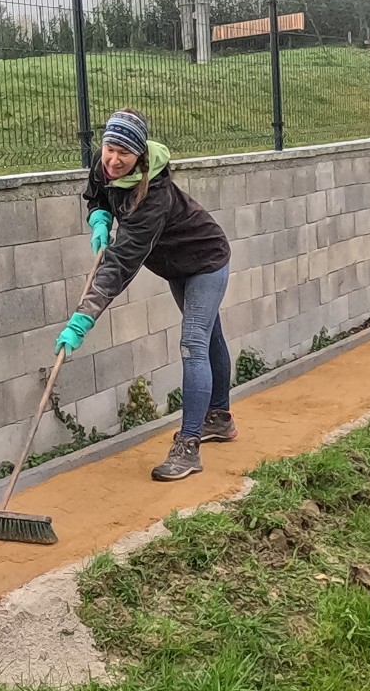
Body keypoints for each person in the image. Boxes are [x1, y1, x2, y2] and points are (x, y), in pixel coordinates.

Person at [55, 108, 236, 482]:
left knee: (194, 342)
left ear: (140, 156)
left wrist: (84, 316)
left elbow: (121, 264)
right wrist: (99, 217)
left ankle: (188, 446)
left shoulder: (153, 197)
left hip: (205, 260)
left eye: (124, 153)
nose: (114, 159)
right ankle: (219, 418)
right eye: (110, 148)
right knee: (210, 336)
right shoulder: (104, 163)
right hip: (174, 267)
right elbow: (96, 195)